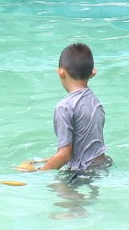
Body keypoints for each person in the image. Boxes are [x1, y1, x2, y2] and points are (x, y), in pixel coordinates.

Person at [17, 42, 111, 179]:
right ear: (92, 73)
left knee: (63, 198)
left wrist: (38, 172)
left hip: (82, 171)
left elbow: (64, 155)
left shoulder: (64, 107)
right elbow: (84, 146)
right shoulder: (94, 101)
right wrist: (42, 161)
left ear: (61, 72)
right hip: (103, 163)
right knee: (91, 200)